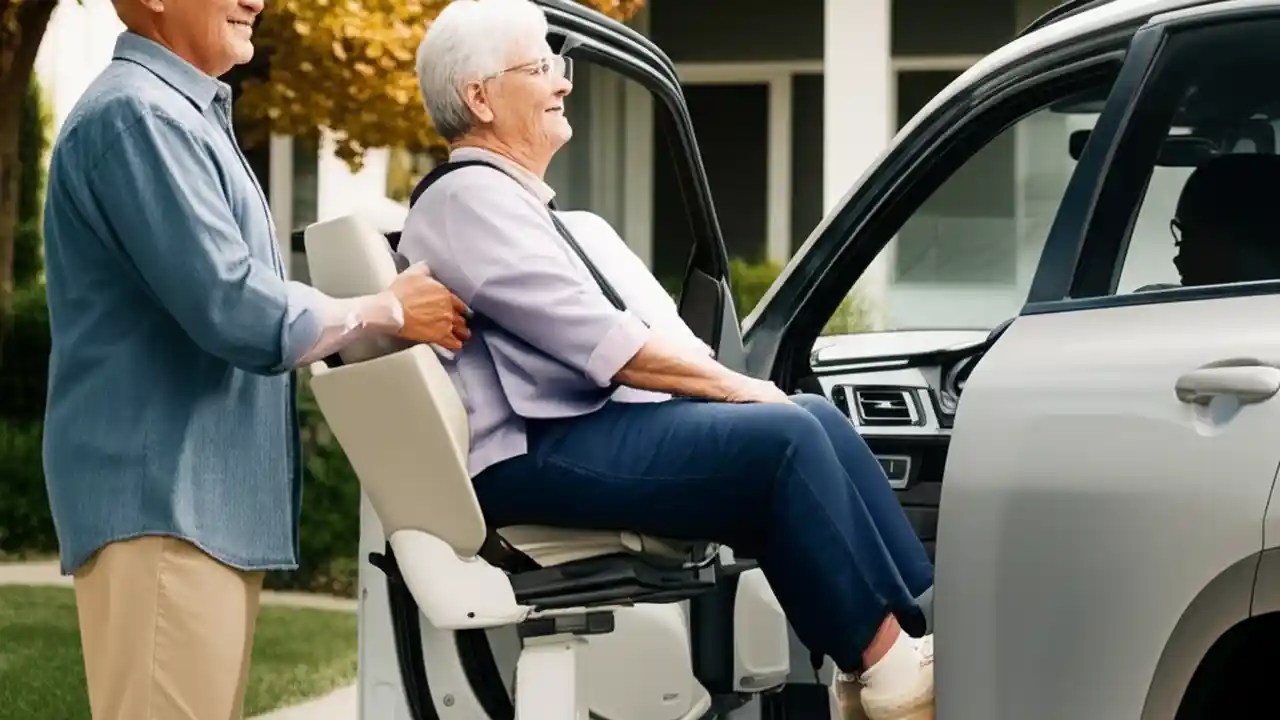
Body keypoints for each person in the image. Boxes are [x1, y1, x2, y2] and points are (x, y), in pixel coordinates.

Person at [401, 1, 935, 718]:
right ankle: (894, 672)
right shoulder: (468, 199)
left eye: (560, 66)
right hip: (534, 452)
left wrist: (737, 393)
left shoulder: (504, 200)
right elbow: (597, 341)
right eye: (541, 68)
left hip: (566, 435)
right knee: (783, 437)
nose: (563, 82)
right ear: (479, 97)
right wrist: (734, 388)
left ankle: (901, 644)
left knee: (809, 414)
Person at [40, 1, 471, 718]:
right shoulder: (142, 118)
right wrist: (387, 308)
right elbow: (238, 310)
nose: (256, 0)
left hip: (197, 510)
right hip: (164, 508)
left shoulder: (183, 115)